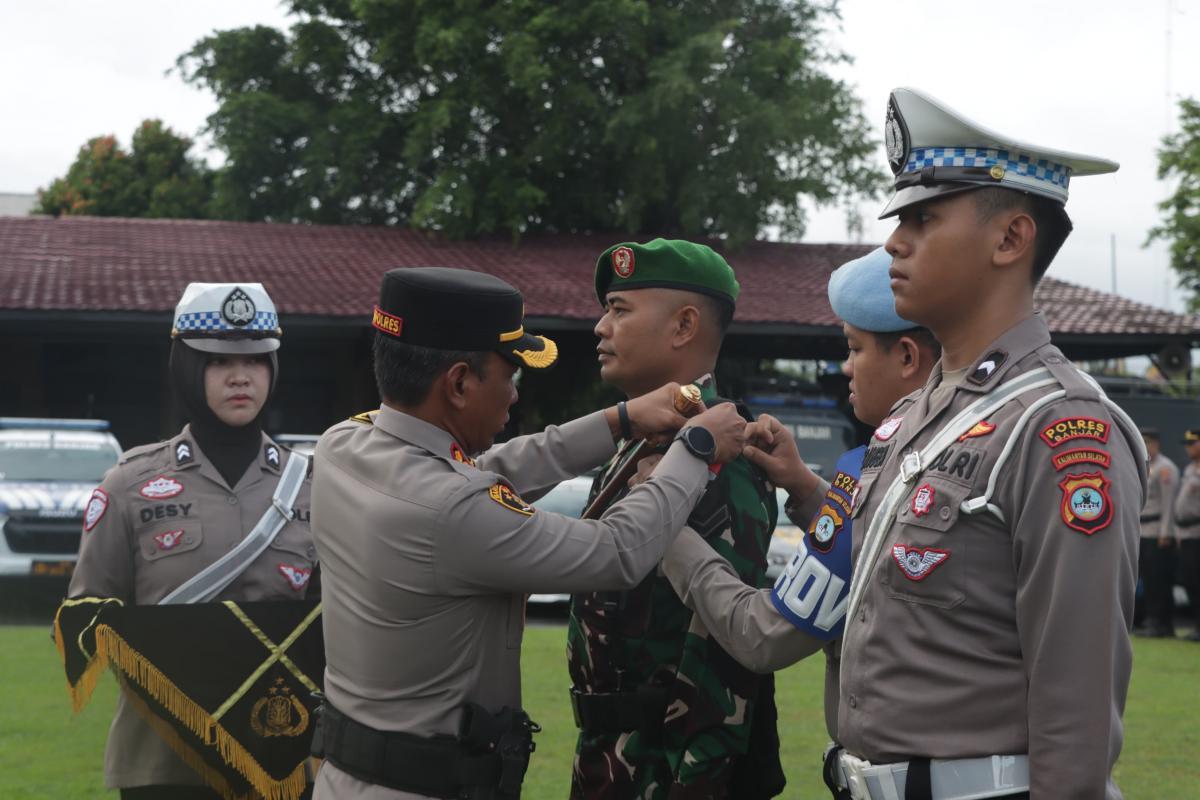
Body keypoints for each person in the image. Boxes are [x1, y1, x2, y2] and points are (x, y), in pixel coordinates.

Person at [804, 88, 1145, 799]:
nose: (895, 241)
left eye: (924, 218)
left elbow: (1075, 707)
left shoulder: (1059, 425)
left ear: (1010, 239)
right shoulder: (916, 414)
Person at [308, 267, 747, 800]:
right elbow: (618, 551)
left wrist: (621, 420)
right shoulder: (454, 511)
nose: (515, 396)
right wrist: (695, 451)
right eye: (510, 374)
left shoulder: (344, 445)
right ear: (460, 382)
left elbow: (484, 468)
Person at [67, 282, 317, 800]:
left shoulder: (316, 487)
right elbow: (88, 613)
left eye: (257, 360)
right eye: (218, 361)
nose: (241, 376)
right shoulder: (130, 485)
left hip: (284, 759)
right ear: (186, 366)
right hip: (165, 762)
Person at [656, 246, 939, 684]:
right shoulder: (932, 453)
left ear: (906, 356)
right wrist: (804, 485)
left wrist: (665, 528)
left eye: (853, 349)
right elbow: (873, 544)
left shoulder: (882, 467)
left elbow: (762, 635)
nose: (845, 368)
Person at [566, 239, 781, 800]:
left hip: (660, 774)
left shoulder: (717, 462)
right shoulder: (642, 445)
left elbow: (722, 670)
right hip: (612, 762)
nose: (599, 327)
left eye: (619, 310)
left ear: (684, 326)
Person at [1134, 427, 1179, 637]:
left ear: (1155, 444)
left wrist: (1166, 532)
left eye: (1147, 443)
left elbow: (1169, 503)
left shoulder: (1165, 468)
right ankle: (1147, 619)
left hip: (1157, 530)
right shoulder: (1142, 465)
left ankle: (1161, 623)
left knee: (1157, 579)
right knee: (1143, 579)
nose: (1145, 447)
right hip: (1142, 529)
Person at [1174, 428, 1200, 640]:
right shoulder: (1191, 469)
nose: (1188, 448)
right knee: (1190, 581)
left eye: (1193, 443)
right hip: (1187, 533)